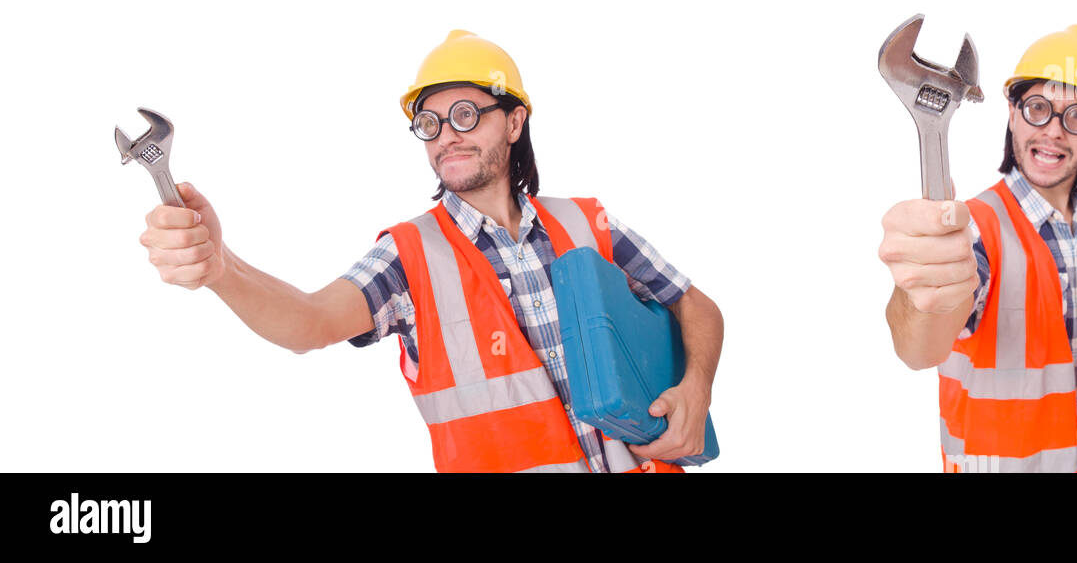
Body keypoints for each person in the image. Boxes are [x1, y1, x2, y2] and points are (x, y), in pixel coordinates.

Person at [138, 30, 724, 473]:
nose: (446, 134)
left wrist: (697, 389)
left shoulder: (586, 221)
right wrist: (221, 268)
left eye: (466, 114)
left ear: (514, 121)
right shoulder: (410, 256)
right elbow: (309, 322)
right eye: (430, 122)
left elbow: (696, 305)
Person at [877, 25, 1077, 472]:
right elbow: (918, 348)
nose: (1053, 131)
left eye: (1076, 116)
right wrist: (920, 293)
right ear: (1013, 113)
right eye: (1038, 108)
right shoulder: (975, 227)